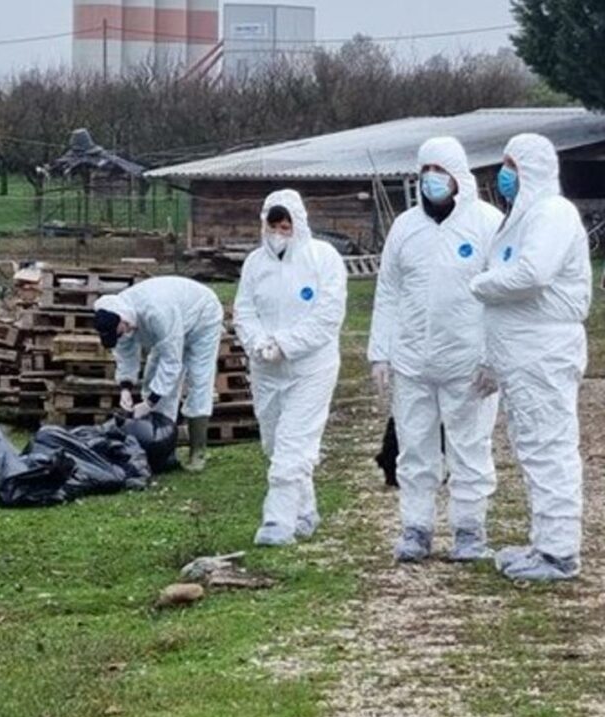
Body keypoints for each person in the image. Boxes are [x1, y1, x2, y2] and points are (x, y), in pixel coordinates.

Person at [368, 137, 504, 564]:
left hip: (468, 362)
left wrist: (493, 357)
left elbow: (501, 296)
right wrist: (380, 352)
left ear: (458, 175)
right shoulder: (405, 227)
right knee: (414, 449)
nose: (431, 178)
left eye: (439, 170)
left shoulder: (488, 223)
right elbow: (388, 292)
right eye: (425, 170)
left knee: (469, 447)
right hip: (413, 360)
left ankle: (469, 530)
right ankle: (416, 528)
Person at [470, 133, 593, 582]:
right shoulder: (519, 221)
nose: (504, 174)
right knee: (532, 447)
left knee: (550, 447)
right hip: (520, 355)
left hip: (544, 352)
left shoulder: (552, 213)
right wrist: (491, 360)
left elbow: (532, 274)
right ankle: (544, 543)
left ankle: (559, 551)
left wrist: (480, 283)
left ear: (531, 167)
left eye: (511, 165)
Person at [234, 190, 347, 547]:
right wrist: (258, 343)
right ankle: (304, 512)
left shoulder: (323, 258)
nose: (279, 234)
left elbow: (328, 315)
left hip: (311, 368)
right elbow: (244, 311)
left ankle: (277, 522)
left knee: (294, 443)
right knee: (274, 443)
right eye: (273, 227)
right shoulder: (255, 264)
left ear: (299, 224)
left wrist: (286, 344)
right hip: (266, 369)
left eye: (286, 227)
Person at [93, 276, 225, 472]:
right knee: (153, 374)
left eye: (120, 331)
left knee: (199, 379)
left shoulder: (156, 312)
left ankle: (197, 451)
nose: (121, 335)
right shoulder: (115, 319)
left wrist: (149, 403)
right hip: (170, 327)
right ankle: (165, 450)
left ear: (124, 319)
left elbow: (172, 362)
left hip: (202, 315)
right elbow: (125, 355)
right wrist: (125, 388)